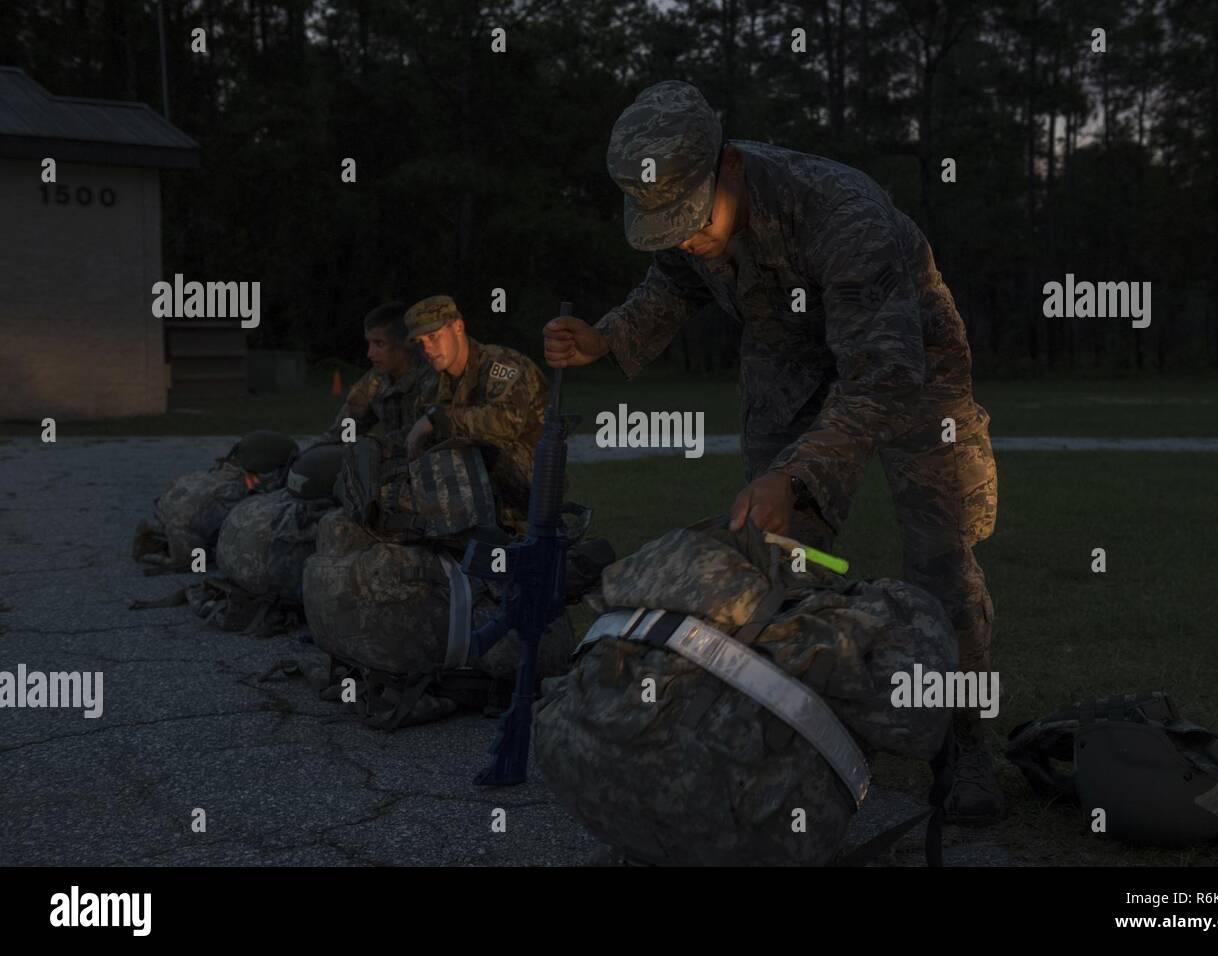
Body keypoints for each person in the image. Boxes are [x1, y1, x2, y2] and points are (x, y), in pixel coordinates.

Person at [542, 80, 1003, 824]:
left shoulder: (843, 214)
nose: (686, 236)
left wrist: (795, 470)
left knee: (941, 555)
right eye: (664, 225)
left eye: (691, 219)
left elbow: (880, 379)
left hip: (907, 362)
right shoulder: (691, 228)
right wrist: (610, 336)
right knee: (781, 550)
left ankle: (965, 743)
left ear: (728, 165)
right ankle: (802, 720)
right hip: (785, 360)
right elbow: (673, 280)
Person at [403, 295, 548, 531]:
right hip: (477, 480)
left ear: (457, 327)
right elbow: (416, 434)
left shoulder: (502, 365)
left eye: (433, 337)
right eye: (420, 342)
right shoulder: (432, 381)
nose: (428, 348)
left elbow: (505, 422)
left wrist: (436, 418)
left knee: (473, 450)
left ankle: (508, 527)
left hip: (528, 479)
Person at [323, 302, 437, 447]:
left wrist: (375, 445)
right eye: (369, 343)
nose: (370, 354)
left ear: (407, 342)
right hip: (393, 459)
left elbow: (427, 435)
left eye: (379, 344)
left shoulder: (432, 377)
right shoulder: (374, 380)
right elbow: (349, 423)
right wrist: (342, 444)